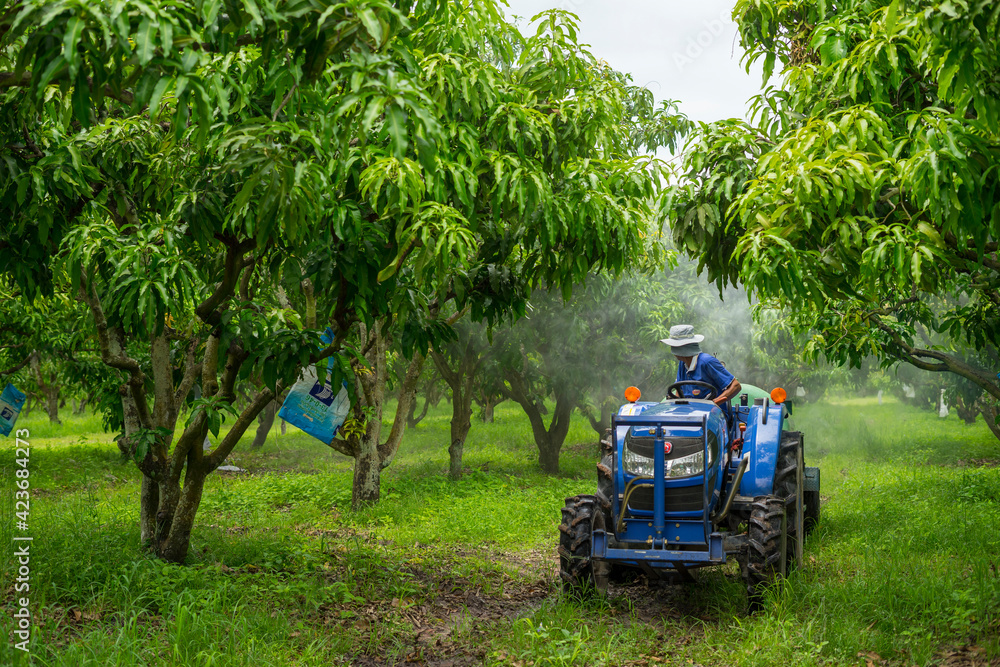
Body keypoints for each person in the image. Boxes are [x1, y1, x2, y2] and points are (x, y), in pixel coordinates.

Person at [660, 324, 742, 418]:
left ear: (682, 347)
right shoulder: (682, 363)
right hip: (689, 414)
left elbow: (736, 386)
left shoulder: (707, 362)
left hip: (713, 416)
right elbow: (679, 389)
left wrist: (713, 403)